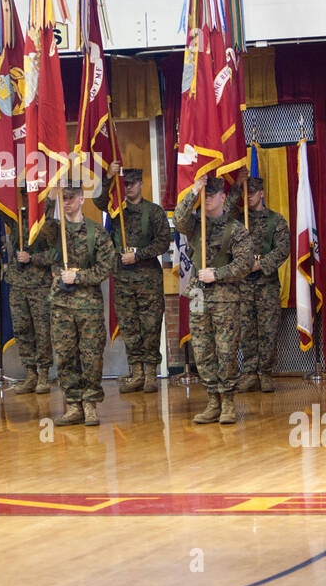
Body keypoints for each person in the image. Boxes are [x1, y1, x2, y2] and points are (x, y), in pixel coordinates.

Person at [174, 175, 252, 424]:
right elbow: (178, 220)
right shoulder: (195, 225)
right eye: (204, 195)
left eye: (211, 195)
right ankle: (212, 400)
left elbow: (245, 264)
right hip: (198, 294)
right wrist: (194, 188)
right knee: (202, 348)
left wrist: (216, 274)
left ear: (222, 197)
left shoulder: (235, 228)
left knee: (226, 350)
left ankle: (227, 400)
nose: (206, 199)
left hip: (225, 297)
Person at [97, 165, 171, 394]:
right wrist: (109, 176)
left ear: (140, 184)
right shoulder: (116, 211)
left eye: (131, 184)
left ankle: (150, 373)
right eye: (124, 184)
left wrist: (138, 255)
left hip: (148, 278)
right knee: (129, 327)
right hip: (123, 279)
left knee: (150, 326)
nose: (128, 188)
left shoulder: (155, 212)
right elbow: (99, 200)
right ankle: (136, 372)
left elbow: (163, 242)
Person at [50, 183, 116, 426]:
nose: (66, 202)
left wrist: (78, 277)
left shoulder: (96, 232)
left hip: (88, 306)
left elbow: (107, 266)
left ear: (81, 199)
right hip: (61, 306)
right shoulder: (55, 231)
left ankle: (90, 405)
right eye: (63, 198)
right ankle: (73, 404)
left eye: (70, 198)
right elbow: (41, 225)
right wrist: (50, 196)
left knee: (91, 357)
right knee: (65, 356)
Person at [228, 176, 290, 393]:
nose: (249, 197)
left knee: (268, 330)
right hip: (242, 285)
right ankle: (250, 372)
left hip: (267, 285)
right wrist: (237, 186)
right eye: (246, 193)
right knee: (246, 331)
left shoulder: (276, 220)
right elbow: (224, 210)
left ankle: (265, 373)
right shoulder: (236, 219)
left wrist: (261, 264)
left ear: (262, 193)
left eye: (252, 192)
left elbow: (283, 249)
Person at [1, 191, 56, 396]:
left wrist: (32, 258)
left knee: (42, 331)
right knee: (22, 329)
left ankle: (43, 374)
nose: (26, 199)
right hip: (17, 284)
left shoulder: (48, 222)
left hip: (40, 285)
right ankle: (30, 373)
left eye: (31, 195)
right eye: (23, 195)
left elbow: (56, 254)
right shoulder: (15, 220)